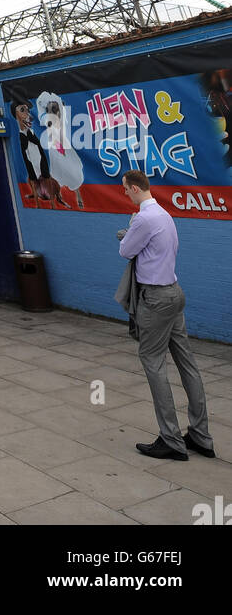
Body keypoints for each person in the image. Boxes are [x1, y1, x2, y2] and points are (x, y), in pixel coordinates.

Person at [118, 170, 215, 460]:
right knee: (187, 363)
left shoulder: (144, 218)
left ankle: (171, 439)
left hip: (156, 299)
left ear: (135, 188)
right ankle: (200, 436)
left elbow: (125, 251)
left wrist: (127, 232)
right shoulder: (164, 214)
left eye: (125, 189)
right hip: (174, 293)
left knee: (153, 362)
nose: (124, 193)